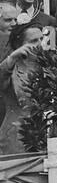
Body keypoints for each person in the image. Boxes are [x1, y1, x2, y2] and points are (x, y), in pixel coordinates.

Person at [0, 24, 45, 154]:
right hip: (16, 136)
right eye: (33, 41)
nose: (40, 44)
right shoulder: (10, 68)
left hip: (46, 134)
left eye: (41, 39)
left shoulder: (50, 65)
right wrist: (12, 58)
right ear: (20, 45)